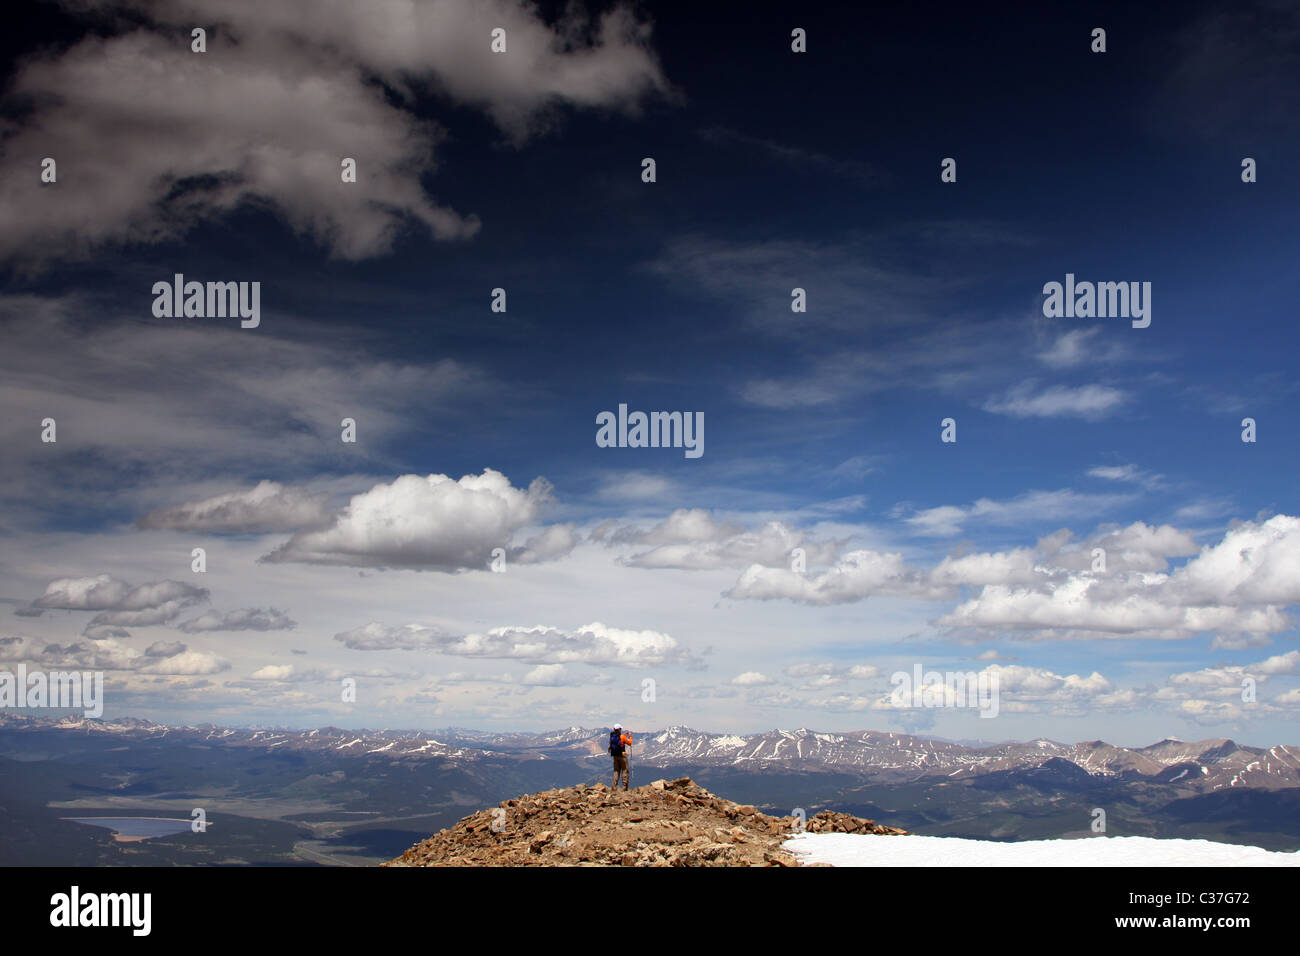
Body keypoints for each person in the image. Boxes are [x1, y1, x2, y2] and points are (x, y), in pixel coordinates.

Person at [608, 723, 633, 791]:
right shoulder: (622, 737)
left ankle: (614, 786)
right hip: (622, 755)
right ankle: (624, 787)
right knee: (625, 770)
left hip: (615, 755)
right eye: (620, 729)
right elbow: (629, 743)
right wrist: (630, 736)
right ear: (619, 729)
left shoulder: (612, 736)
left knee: (616, 771)